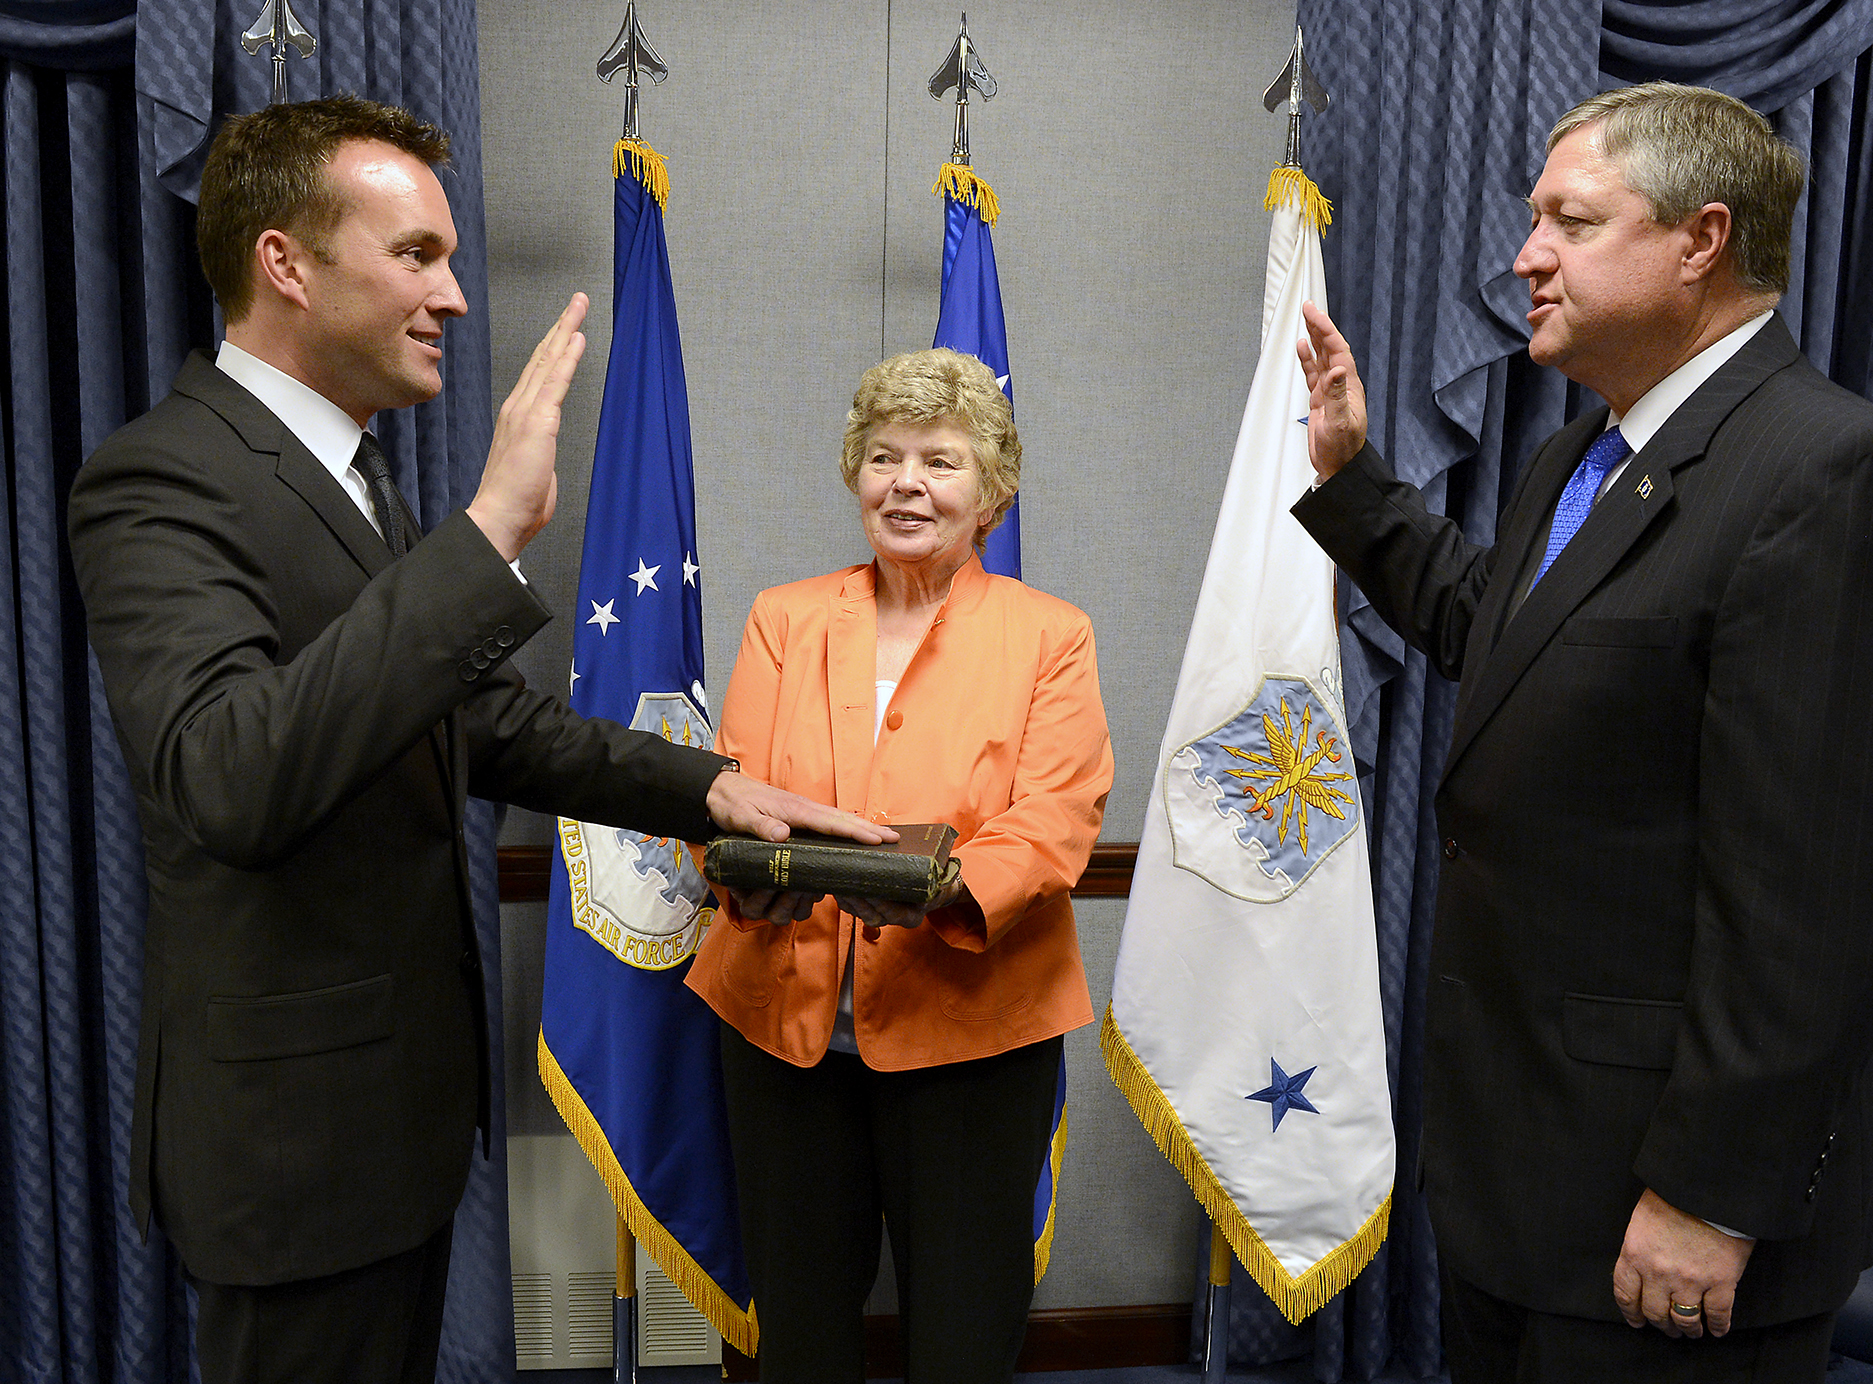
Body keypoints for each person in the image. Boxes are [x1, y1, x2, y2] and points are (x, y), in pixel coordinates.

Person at [66, 95, 884, 1384]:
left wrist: (716, 789)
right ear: (285, 262)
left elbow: (481, 723)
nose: (452, 296)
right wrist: (481, 539)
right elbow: (231, 776)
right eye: (415, 257)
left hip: (396, 1118)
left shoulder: (357, 472)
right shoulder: (159, 476)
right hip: (292, 1145)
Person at [1291, 83, 1873, 1382]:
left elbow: (1823, 901)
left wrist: (1713, 1197)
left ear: (1700, 240)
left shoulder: (1831, 479)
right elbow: (1503, 632)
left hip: (1667, 1222)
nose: (1524, 254)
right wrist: (1353, 480)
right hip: (1526, 1186)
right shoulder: (1584, 458)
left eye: (1569, 220)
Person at [685, 348, 1114, 1383]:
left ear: (990, 498)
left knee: (962, 1336)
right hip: (781, 1033)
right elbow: (730, 793)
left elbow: (1056, 814)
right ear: (854, 475)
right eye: (882, 456)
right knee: (797, 1335)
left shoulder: (1049, 634)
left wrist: (934, 890)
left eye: (939, 460)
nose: (905, 482)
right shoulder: (782, 620)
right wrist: (741, 869)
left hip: (973, 1032)